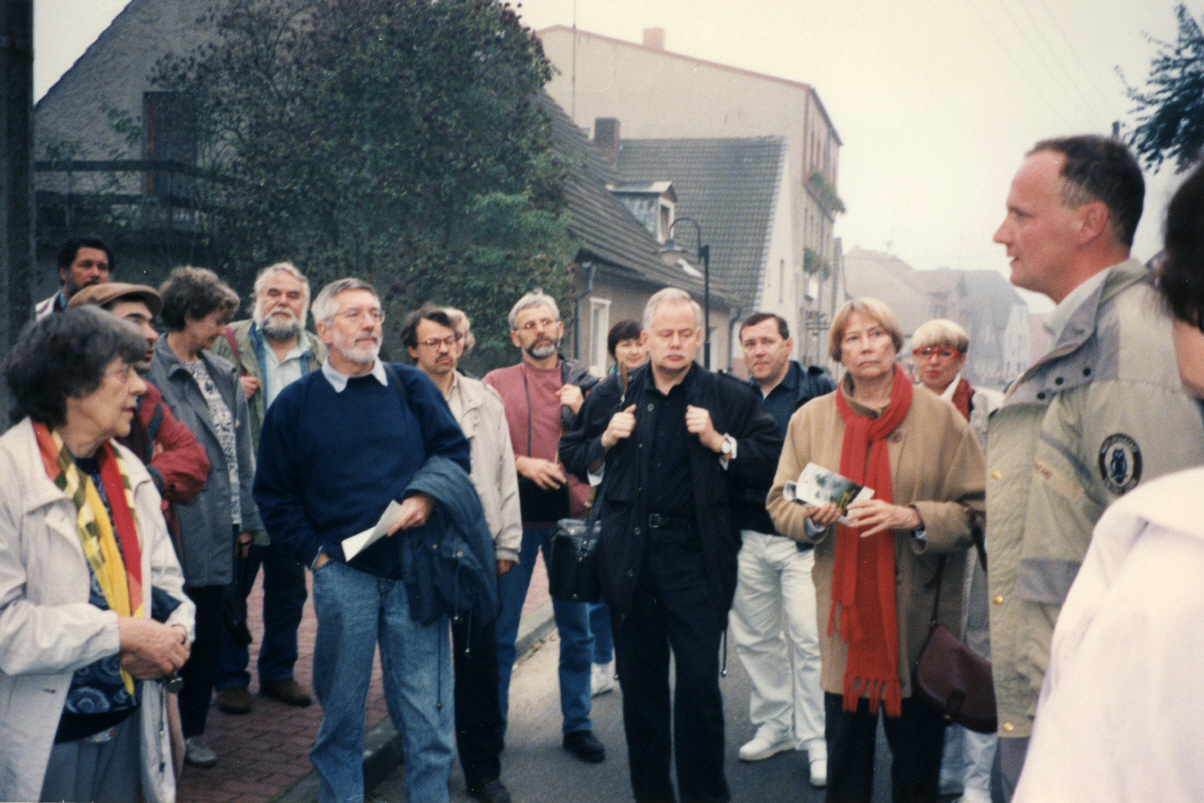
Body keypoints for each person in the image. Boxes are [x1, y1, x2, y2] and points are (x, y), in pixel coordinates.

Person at [987, 135, 1204, 797]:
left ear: (1091, 222)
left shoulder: (1134, 345)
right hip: (1062, 701)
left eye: (1021, 215)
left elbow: (1170, 585)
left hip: (1093, 733)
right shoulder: (1092, 335)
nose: (1000, 234)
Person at [253, 278, 473, 803]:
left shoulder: (409, 386)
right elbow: (274, 495)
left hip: (415, 572)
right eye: (355, 315)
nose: (371, 323)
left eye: (374, 313)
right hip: (344, 577)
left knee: (428, 716)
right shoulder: (295, 404)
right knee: (343, 717)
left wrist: (425, 498)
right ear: (324, 330)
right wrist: (317, 555)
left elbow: (453, 454)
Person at [561, 288, 783, 803]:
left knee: (701, 692)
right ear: (646, 338)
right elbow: (570, 451)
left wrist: (721, 442)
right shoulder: (613, 395)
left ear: (700, 337)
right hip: (631, 559)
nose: (676, 343)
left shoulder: (726, 397)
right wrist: (604, 443)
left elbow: (772, 456)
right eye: (666, 334)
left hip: (697, 559)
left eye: (687, 334)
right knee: (642, 695)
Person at [765, 297, 985, 803]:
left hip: (917, 626)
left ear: (894, 342)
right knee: (846, 768)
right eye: (853, 338)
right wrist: (811, 521)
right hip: (846, 627)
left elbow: (978, 510)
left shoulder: (943, 421)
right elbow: (780, 502)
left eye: (876, 335)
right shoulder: (810, 420)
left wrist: (912, 517)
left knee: (915, 771)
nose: (866, 347)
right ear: (839, 350)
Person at [0, 307, 195, 803]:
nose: (141, 388)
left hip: (129, 726)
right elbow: (7, 628)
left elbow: (168, 587)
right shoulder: (8, 474)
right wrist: (120, 633)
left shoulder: (127, 467)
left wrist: (171, 639)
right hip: (49, 737)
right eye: (123, 372)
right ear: (72, 384)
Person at [402, 305, 521, 803]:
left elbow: (503, 471)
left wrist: (506, 541)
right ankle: (429, 768)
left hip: (475, 547)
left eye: (450, 339)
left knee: (477, 661)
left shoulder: (483, 397)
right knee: (423, 663)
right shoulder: (396, 397)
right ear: (412, 349)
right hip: (421, 547)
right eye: (432, 342)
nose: (444, 348)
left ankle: (482, 770)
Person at [148, 266, 263, 769]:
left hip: (222, 522)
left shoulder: (222, 373)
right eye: (216, 320)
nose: (223, 331)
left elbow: (241, 453)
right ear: (188, 314)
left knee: (209, 630)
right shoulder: (149, 369)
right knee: (169, 626)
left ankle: (191, 732)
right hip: (171, 521)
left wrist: (248, 521)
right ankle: (156, 735)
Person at [483, 290, 604, 763]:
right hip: (512, 524)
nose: (540, 331)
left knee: (577, 630)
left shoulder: (586, 385)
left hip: (569, 523)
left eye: (547, 322)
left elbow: (608, 441)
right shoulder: (494, 381)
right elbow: (480, 446)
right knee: (500, 633)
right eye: (529, 324)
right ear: (515, 335)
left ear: (559, 329)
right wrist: (522, 463)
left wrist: (589, 406)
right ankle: (492, 727)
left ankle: (578, 724)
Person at [210, 262, 327, 715]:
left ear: (306, 304)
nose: (283, 302)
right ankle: (230, 678)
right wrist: (228, 389)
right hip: (242, 490)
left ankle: (278, 672)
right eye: (273, 293)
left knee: (288, 592)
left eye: (293, 295)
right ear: (257, 299)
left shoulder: (318, 350)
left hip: (296, 497)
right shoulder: (228, 341)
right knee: (234, 589)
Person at [731, 312, 834, 786]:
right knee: (756, 638)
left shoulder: (817, 394)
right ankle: (775, 723)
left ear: (787, 345)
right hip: (748, 537)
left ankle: (816, 739)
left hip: (802, 543)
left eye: (766, 342)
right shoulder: (736, 397)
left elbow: (831, 464)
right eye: (749, 343)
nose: (757, 351)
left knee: (811, 642)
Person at [910, 318, 1000, 803]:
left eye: (944, 352)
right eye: (924, 352)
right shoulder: (902, 408)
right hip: (925, 549)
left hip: (980, 553)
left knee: (978, 658)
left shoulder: (989, 409)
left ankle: (975, 781)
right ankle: (942, 769)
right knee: (933, 659)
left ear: (960, 359)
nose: (933, 360)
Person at [67, 282, 211, 526]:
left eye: (151, 323)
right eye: (135, 322)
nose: (152, 335)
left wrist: (148, 477)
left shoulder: (146, 398)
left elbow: (195, 458)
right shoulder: (64, 406)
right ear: (90, 330)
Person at [589, 318, 647, 698]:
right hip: (611, 503)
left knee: (639, 591)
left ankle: (633, 663)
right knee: (602, 590)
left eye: (639, 343)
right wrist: (606, 440)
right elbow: (583, 449)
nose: (634, 350)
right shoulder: (603, 392)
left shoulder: (661, 388)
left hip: (647, 504)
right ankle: (601, 664)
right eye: (625, 344)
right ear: (614, 351)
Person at [35, 235, 114, 318]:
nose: (95, 274)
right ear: (63, 273)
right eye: (86, 265)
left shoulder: (120, 318)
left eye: (102, 267)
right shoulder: (37, 317)